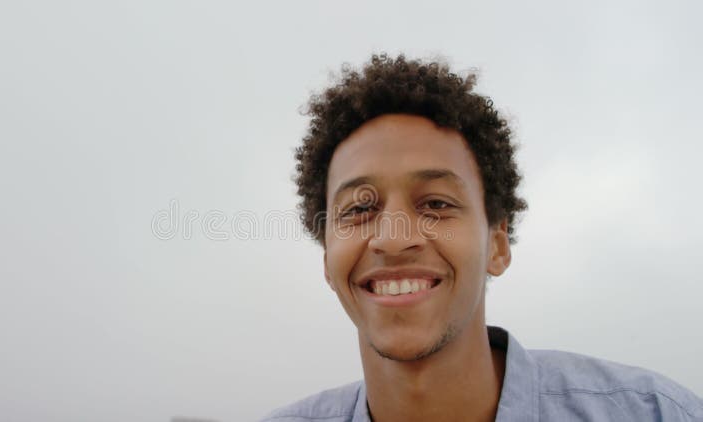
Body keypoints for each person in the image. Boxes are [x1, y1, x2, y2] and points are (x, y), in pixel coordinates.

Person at [261, 53, 703, 421]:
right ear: (326, 260)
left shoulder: (655, 413)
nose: (393, 240)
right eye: (359, 209)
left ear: (498, 244)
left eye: (435, 204)